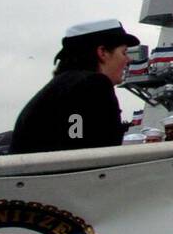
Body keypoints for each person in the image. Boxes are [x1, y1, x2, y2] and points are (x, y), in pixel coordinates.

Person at [11, 20, 139, 155]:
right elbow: (93, 152)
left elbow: (75, 138)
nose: (128, 60)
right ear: (102, 52)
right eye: (124, 52)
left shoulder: (63, 86)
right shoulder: (93, 85)